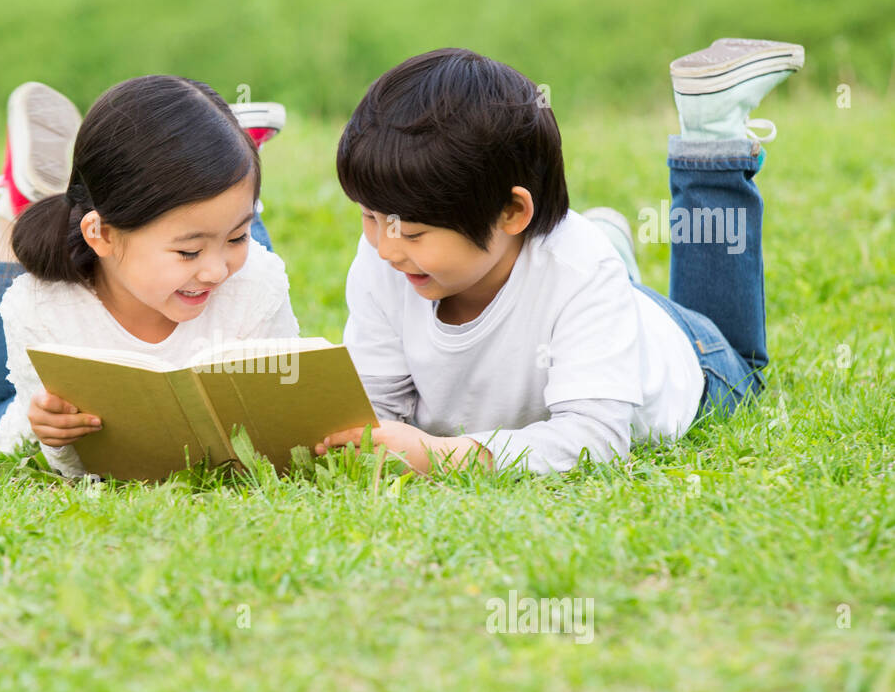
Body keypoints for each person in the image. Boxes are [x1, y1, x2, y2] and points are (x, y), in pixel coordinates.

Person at [316, 39, 804, 474]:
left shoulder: (579, 271)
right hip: (584, 297)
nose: (385, 247)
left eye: (416, 233)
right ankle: (616, 262)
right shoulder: (387, 255)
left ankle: (711, 135)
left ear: (511, 211)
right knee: (584, 277)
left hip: (692, 355)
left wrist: (442, 457)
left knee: (743, 364)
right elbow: (373, 410)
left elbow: (596, 441)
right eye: (369, 217)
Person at [0, 75, 298, 476]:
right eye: (188, 251)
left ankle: (225, 158)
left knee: (241, 252)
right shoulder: (41, 304)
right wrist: (51, 430)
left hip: (198, 224)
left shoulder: (255, 282)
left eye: (238, 236)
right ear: (104, 235)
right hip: (48, 323)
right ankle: (20, 202)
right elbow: (73, 467)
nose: (216, 272)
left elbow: (286, 422)